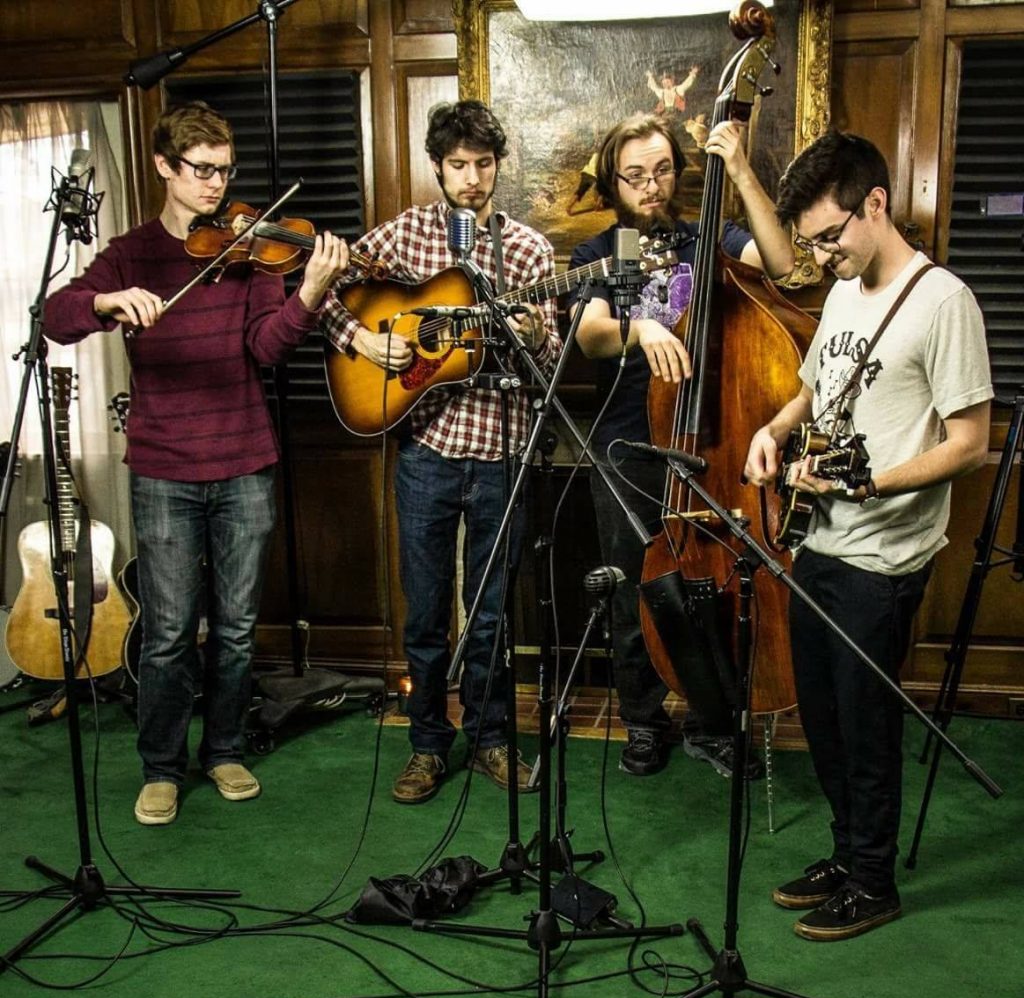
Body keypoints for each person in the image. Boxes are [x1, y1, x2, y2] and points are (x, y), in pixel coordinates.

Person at [43, 101, 348, 825]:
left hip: (245, 463)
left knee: (236, 628)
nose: (216, 185)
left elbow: (266, 347)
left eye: (225, 171)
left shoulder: (249, 249)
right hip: (163, 470)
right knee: (170, 632)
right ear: (164, 166)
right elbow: (56, 317)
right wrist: (107, 299)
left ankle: (225, 749)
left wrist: (309, 294)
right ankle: (161, 766)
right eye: (202, 170)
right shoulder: (131, 254)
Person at [743, 129, 992, 940]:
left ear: (875, 204)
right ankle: (848, 854)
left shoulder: (944, 302)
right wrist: (773, 430)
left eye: (828, 237)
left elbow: (969, 443)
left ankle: (874, 882)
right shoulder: (845, 291)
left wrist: (866, 484)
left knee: (866, 726)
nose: (819, 257)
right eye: (811, 242)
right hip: (817, 541)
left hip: (883, 558)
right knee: (820, 717)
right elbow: (814, 389)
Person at [320, 101, 561, 805]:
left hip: (502, 451)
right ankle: (427, 744)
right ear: (437, 166)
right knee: (425, 611)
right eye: (458, 165)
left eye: (484, 164)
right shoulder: (405, 234)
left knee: (492, 614)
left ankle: (489, 739)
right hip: (427, 450)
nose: (472, 178)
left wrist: (533, 335)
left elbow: (549, 360)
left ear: (499, 166)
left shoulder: (528, 251)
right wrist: (366, 342)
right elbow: (325, 288)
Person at [568, 113, 795, 778]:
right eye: (635, 175)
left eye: (663, 170)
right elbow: (591, 335)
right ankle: (643, 722)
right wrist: (642, 330)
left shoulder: (709, 237)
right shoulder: (599, 253)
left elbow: (781, 265)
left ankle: (712, 723)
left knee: (712, 589)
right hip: (627, 451)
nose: (651, 186)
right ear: (613, 183)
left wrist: (741, 170)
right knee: (630, 593)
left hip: (709, 445)